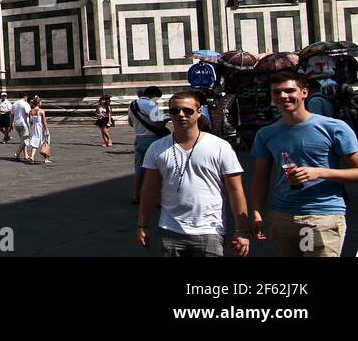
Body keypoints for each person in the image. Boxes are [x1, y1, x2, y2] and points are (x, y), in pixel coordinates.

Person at [250, 71, 358, 257]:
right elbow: (260, 178)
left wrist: (319, 173)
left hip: (320, 217)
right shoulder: (266, 134)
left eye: (290, 90)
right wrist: (257, 212)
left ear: (304, 93)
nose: (283, 96)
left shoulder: (333, 127)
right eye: (276, 92)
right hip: (283, 217)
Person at [138, 89, 250, 257]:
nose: (181, 114)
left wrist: (242, 230)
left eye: (187, 110)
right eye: (175, 111)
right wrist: (142, 225)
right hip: (170, 229)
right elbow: (149, 190)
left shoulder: (219, 146)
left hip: (210, 229)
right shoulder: (157, 148)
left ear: (198, 112)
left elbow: (235, 190)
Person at [129, 87, 169, 203]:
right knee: (157, 168)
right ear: (153, 95)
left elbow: (130, 123)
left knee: (139, 169)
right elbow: (158, 124)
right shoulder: (151, 105)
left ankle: (136, 196)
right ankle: (158, 198)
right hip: (152, 140)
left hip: (139, 139)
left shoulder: (132, 104)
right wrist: (164, 120)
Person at [25, 95, 51, 165]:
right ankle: (46, 158)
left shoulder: (31, 111)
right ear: (38, 103)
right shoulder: (41, 111)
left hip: (34, 127)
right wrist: (47, 130)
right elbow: (44, 122)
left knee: (35, 143)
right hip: (40, 127)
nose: (41, 103)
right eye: (41, 102)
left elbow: (30, 121)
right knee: (46, 141)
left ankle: (32, 157)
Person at [11, 93, 31, 160]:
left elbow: (12, 115)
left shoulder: (14, 104)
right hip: (23, 123)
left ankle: (26, 155)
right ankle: (17, 154)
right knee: (25, 140)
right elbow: (29, 113)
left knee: (22, 140)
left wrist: (11, 124)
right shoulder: (25, 104)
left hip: (16, 124)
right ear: (25, 97)